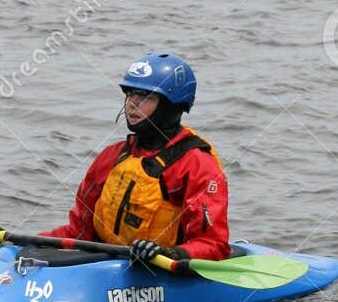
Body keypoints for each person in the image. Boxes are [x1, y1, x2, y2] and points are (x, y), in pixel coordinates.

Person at [41, 52, 230, 264]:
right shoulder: (111, 157)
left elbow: (214, 244)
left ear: (171, 104)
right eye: (131, 95)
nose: (132, 104)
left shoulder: (196, 164)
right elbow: (79, 232)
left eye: (146, 97)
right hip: (107, 265)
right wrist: (23, 243)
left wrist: (168, 255)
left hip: (163, 270)